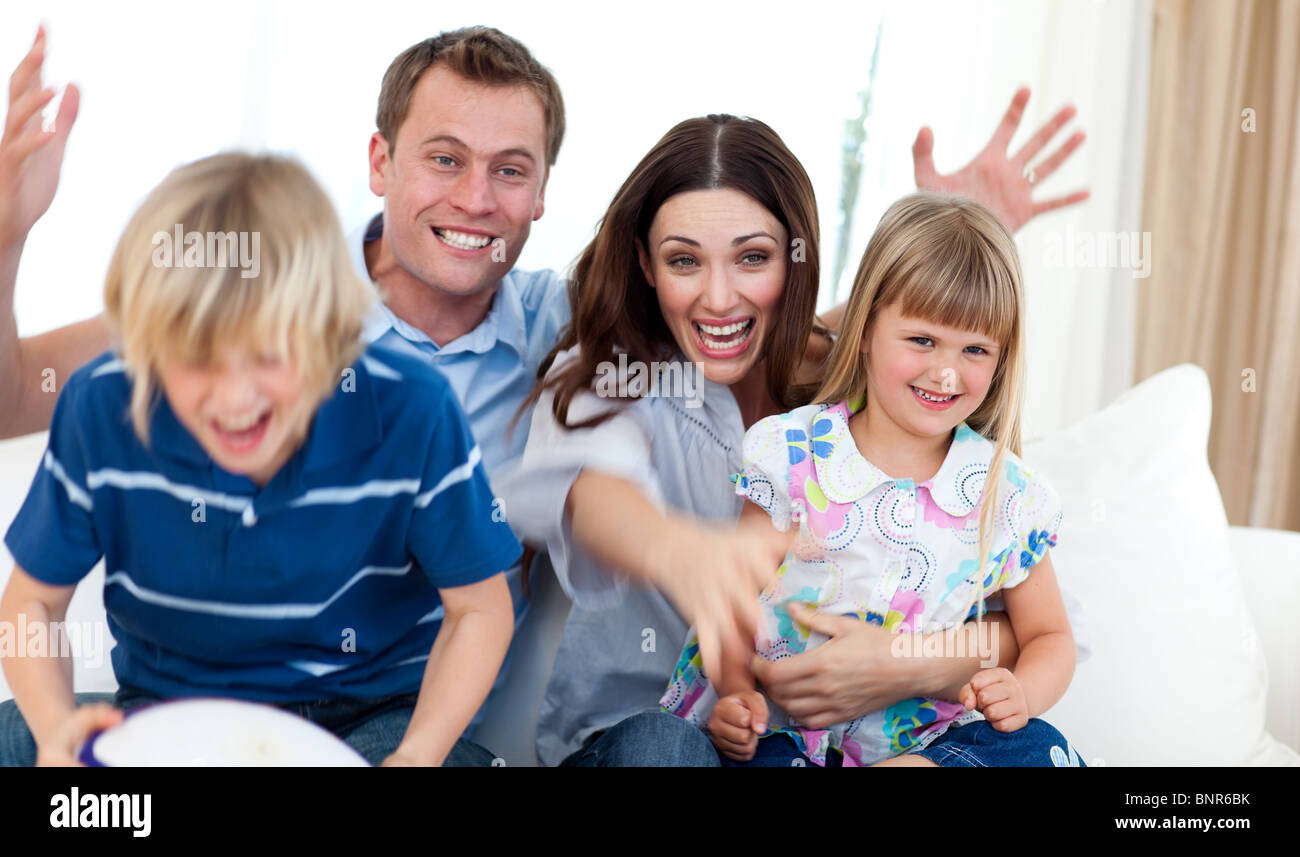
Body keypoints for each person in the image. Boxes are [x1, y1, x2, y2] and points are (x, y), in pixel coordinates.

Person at [501, 116, 1091, 766]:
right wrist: (684, 555)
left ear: (796, 260)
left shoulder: (875, 390)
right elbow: (594, 495)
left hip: (895, 738)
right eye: (683, 259)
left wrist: (903, 664)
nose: (719, 297)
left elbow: (1043, 633)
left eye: (753, 257)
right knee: (661, 747)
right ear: (644, 260)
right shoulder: (608, 377)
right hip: (679, 733)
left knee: (1038, 749)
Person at [0, 152, 518, 766]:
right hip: (166, 709)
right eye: (196, 359)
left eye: (270, 355)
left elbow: (479, 611)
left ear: (328, 331)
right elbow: (31, 605)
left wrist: (417, 755)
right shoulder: (101, 403)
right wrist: (59, 728)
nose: (235, 398)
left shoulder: (414, 408)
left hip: (370, 715)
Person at [660, 192, 1083, 767]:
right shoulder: (793, 453)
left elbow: (1050, 638)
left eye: (976, 349)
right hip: (787, 735)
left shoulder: (1005, 495)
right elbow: (732, 599)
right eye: (922, 340)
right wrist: (735, 689)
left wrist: (1022, 693)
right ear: (864, 329)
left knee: (1042, 749)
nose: (945, 371)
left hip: (924, 743)